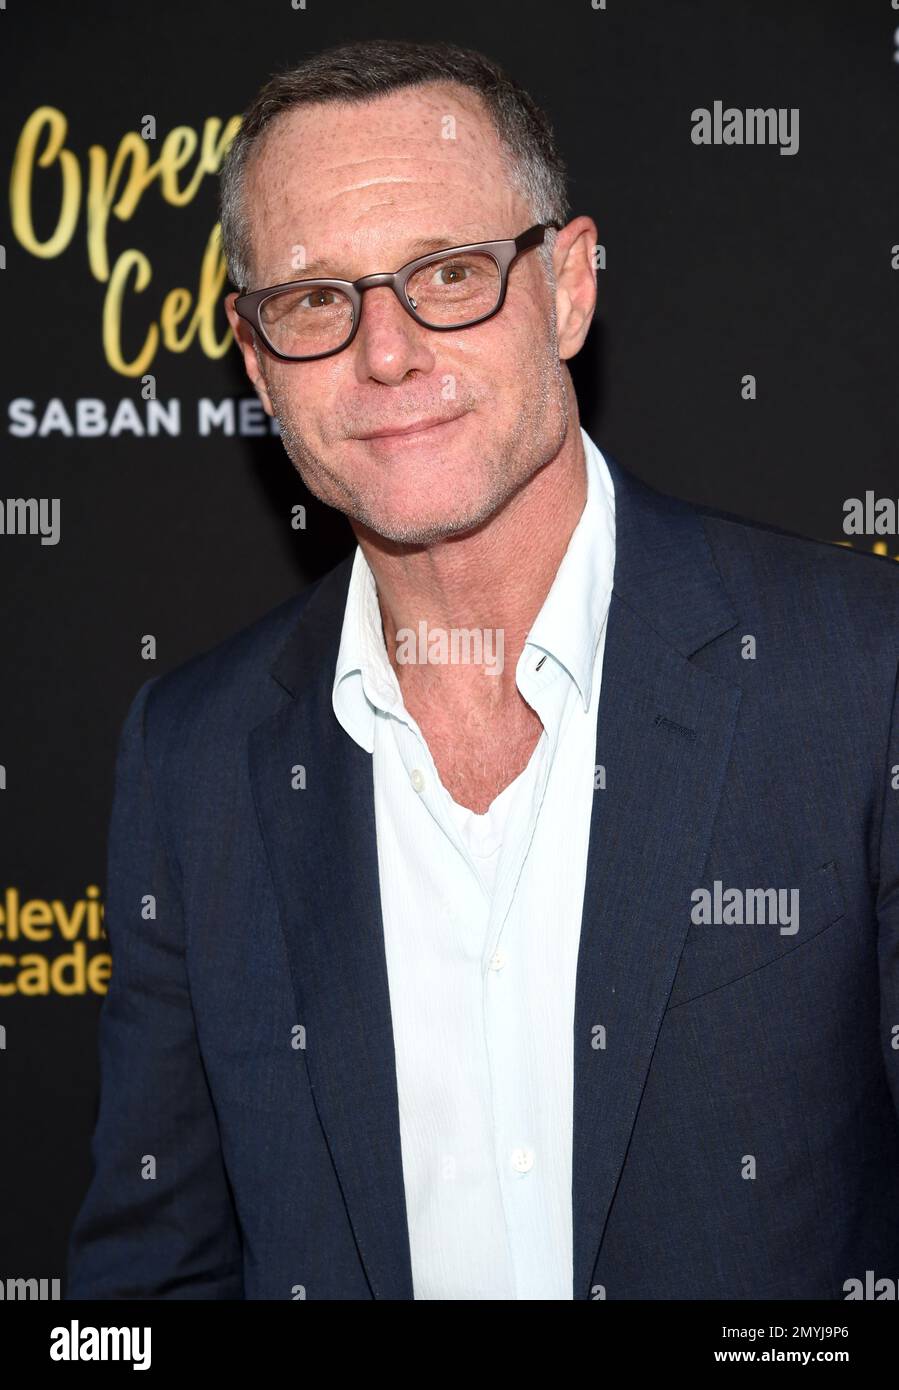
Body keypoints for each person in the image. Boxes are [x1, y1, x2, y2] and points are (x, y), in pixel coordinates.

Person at [67, 37, 899, 1301]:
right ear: (252, 360)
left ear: (566, 285)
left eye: (447, 274)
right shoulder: (193, 755)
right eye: (312, 300)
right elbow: (137, 1294)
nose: (385, 353)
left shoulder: (850, 668)